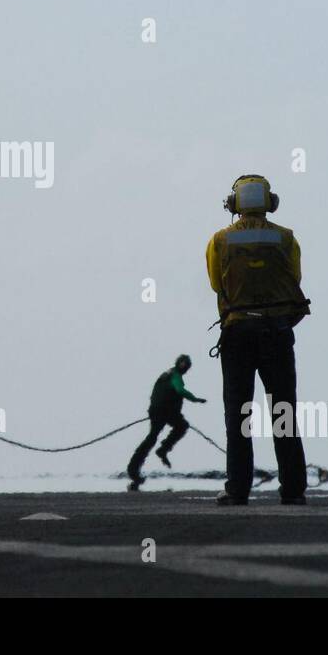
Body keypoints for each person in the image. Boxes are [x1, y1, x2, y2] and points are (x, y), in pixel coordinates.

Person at [206, 174, 310, 506]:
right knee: (283, 410)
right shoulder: (286, 239)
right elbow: (294, 276)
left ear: (233, 204)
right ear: (270, 203)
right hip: (277, 332)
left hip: (238, 333)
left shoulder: (220, 241)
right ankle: (293, 489)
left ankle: (238, 488)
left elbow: (215, 284)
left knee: (238, 414)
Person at [126, 355, 206, 490]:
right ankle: (163, 449)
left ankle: (134, 469)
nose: (185, 368)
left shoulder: (166, 374)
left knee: (151, 438)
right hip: (166, 411)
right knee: (182, 426)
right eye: (185, 365)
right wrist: (195, 399)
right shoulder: (175, 376)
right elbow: (179, 390)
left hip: (156, 411)